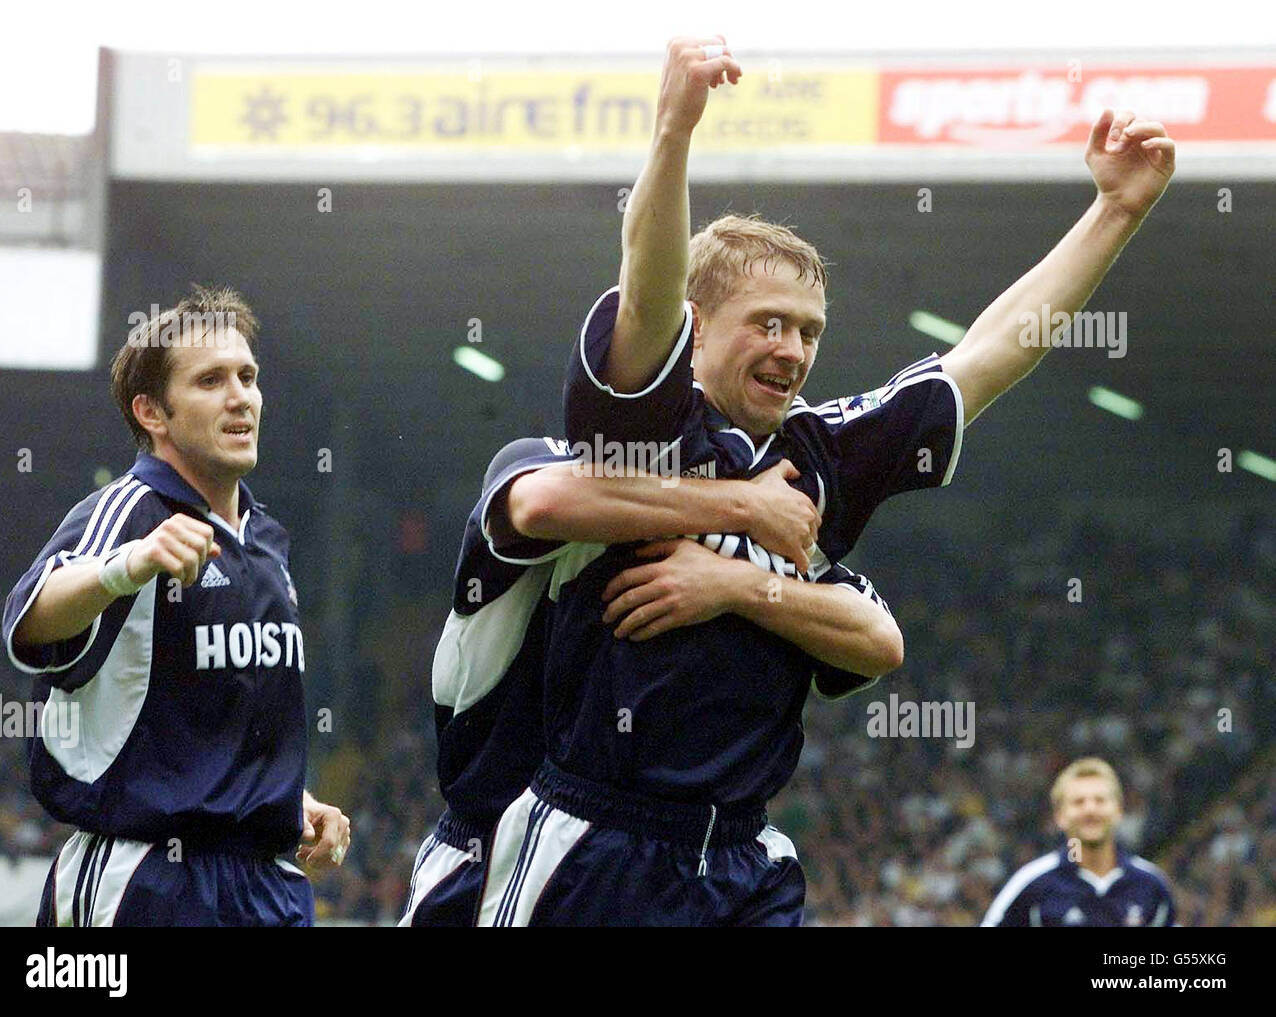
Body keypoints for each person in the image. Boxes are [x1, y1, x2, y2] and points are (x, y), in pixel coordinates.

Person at [479, 36, 1176, 926]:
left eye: (810, 330)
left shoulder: (822, 452)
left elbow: (988, 355)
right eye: (769, 322)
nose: (795, 349)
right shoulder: (645, 430)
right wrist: (674, 131)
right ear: (698, 330)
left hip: (743, 856)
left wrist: (1114, 211)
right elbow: (648, 295)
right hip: (594, 843)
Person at [403, 437, 896, 925]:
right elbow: (541, 504)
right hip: (500, 854)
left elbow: (881, 641)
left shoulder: (758, 540)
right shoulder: (550, 461)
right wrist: (743, 505)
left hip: (713, 858)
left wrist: (735, 585)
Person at [1, 285, 349, 926]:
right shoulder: (130, 512)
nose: (240, 395)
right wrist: (123, 567)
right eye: (211, 380)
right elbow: (29, 620)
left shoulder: (266, 540)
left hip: (266, 884)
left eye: (247, 376)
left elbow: (206, 726)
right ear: (153, 413)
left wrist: (283, 801)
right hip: (145, 884)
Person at [981, 757, 1176, 926]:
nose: (1090, 809)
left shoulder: (1151, 885)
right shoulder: (1033, 884)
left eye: (1100, 800)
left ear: (1118, 810)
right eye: (1078, 802)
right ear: (1059, 816)